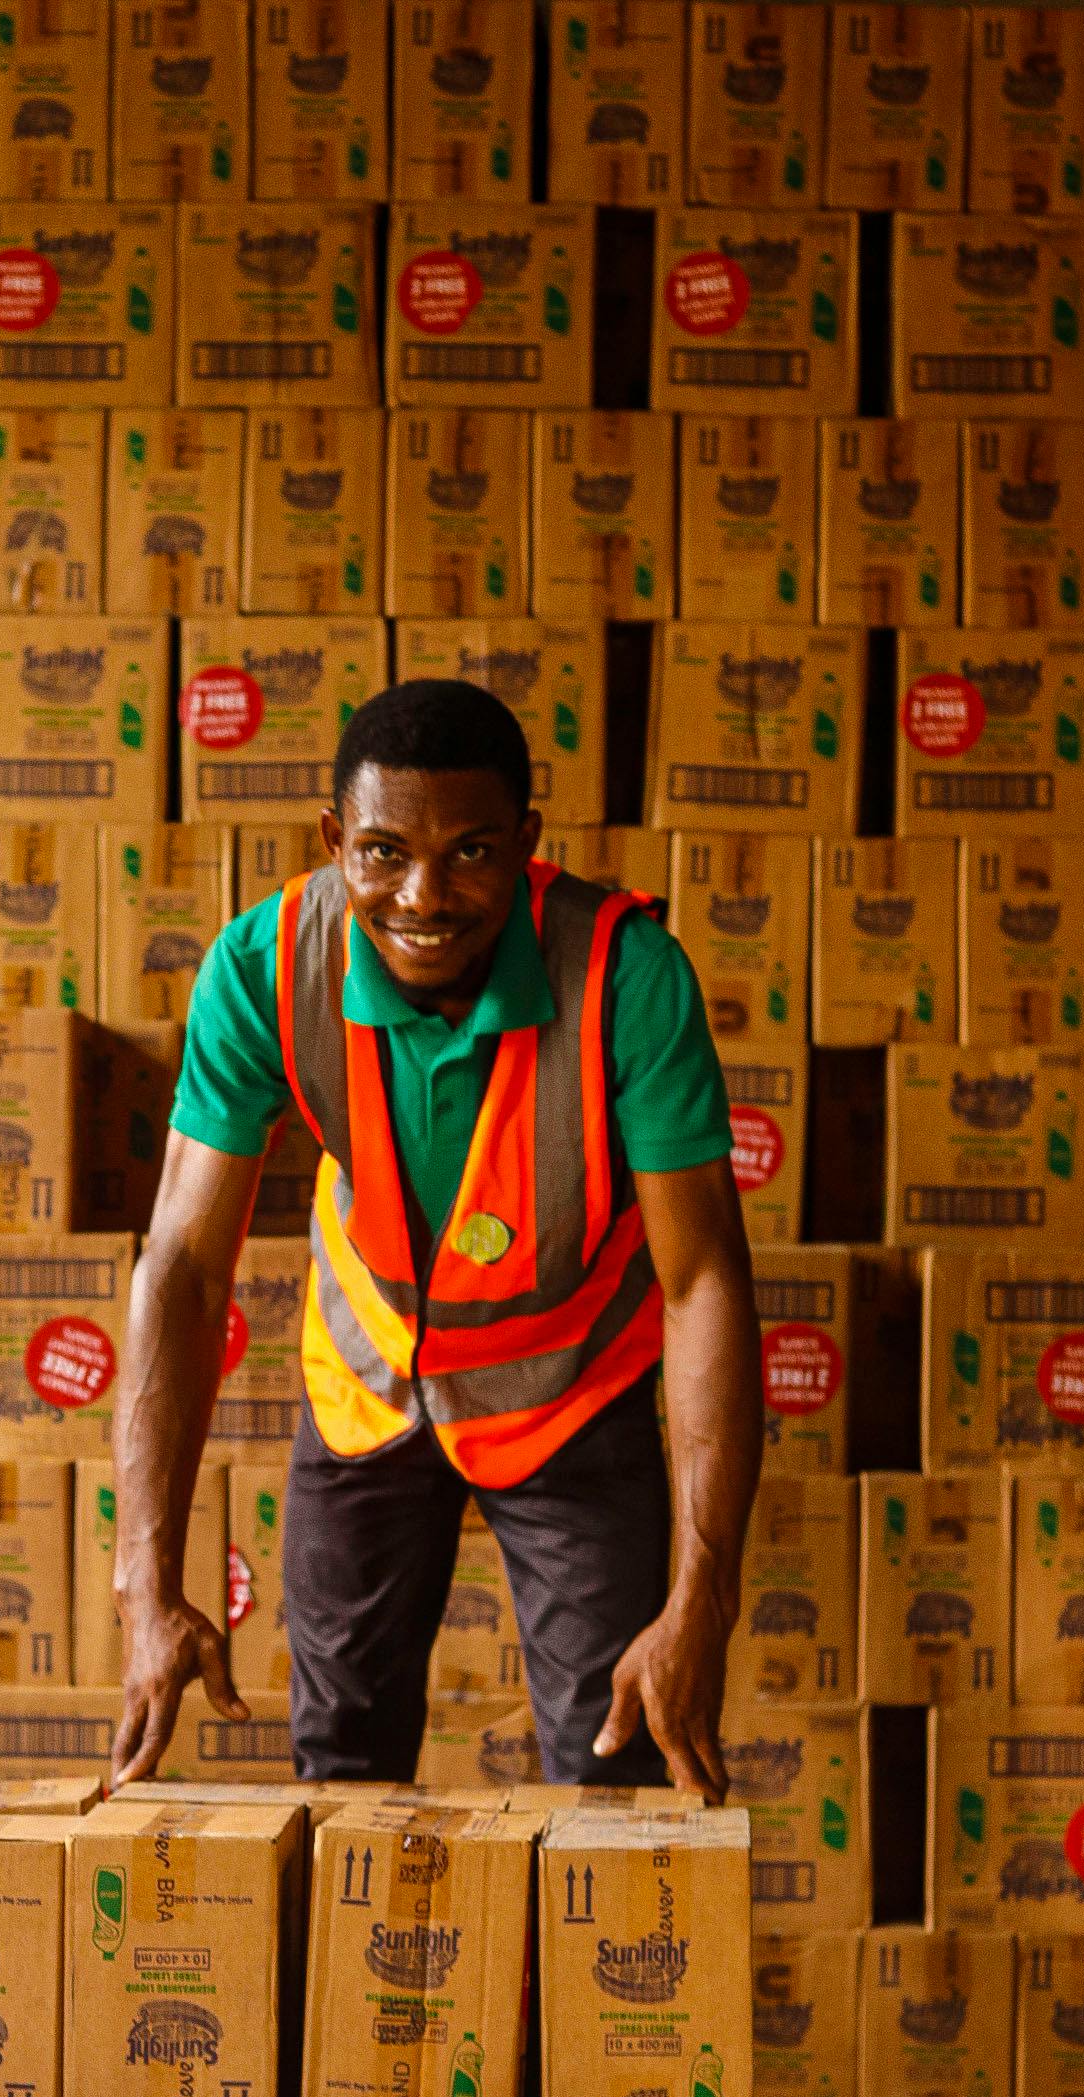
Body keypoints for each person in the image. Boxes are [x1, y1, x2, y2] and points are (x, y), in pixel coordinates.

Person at [110, 678, 763, 1801]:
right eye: (379, 853)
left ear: (524, 842)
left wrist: (702, 1598)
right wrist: (146, 1580)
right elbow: (180, 1261)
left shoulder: (625, 976)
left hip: (567, 1393)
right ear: (332, 841)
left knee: (610, 1770)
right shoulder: (263, 965)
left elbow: (702, 1279)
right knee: (341, 1770)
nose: (422, 894)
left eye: (469, 853)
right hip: (368, 1382)